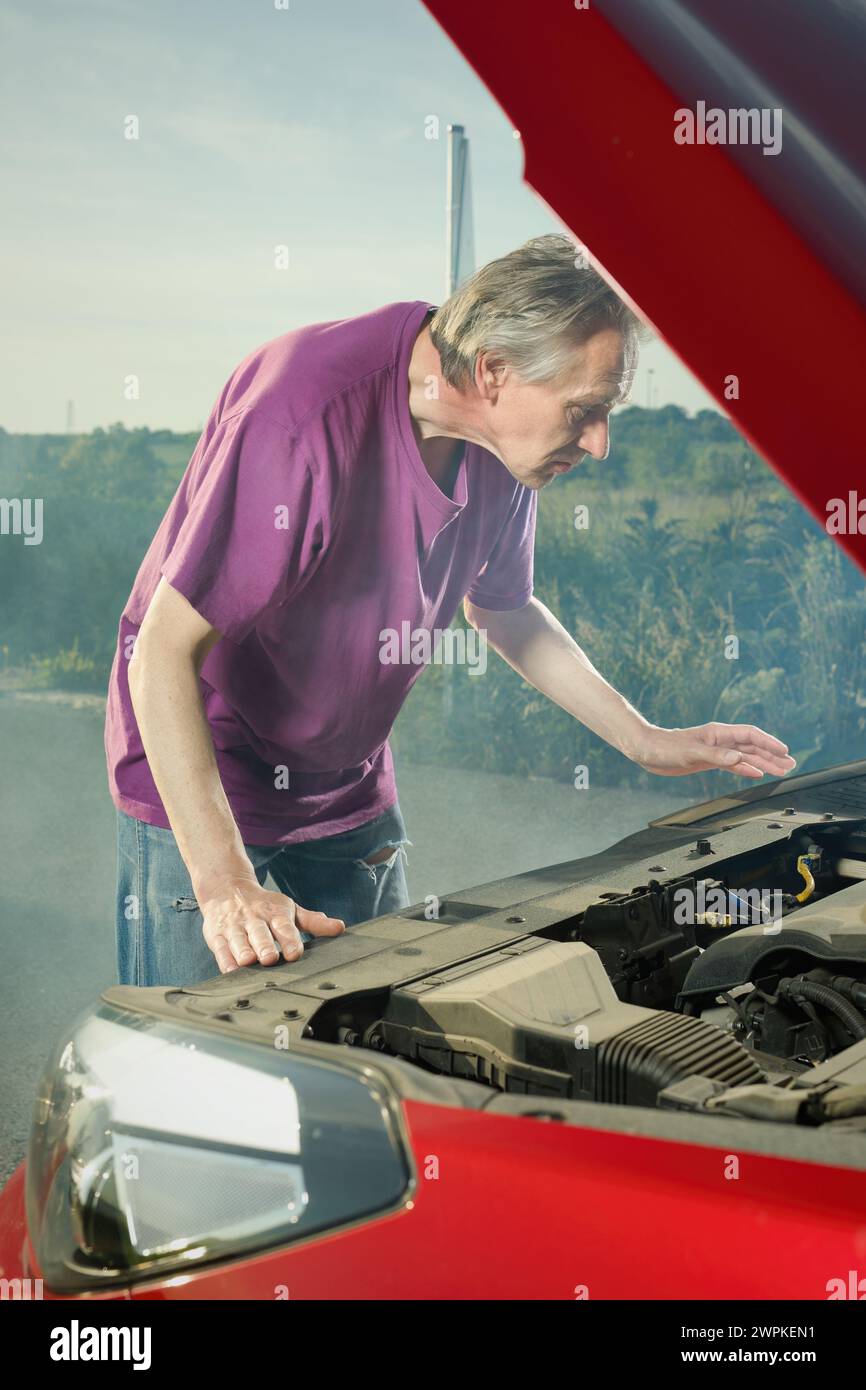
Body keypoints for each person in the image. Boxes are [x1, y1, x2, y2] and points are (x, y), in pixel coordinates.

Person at [105, 234, 795, 987]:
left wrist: (646, 741)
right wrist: (225, 885)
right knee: (196, 1069)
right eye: (586, 410)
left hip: (345, 783)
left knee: (369, 1041)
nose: (599, 443)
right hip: (207, 774)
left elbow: (507, 611)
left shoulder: (505, 446)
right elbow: (162, 654)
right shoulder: (301, 416)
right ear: (494, 371)